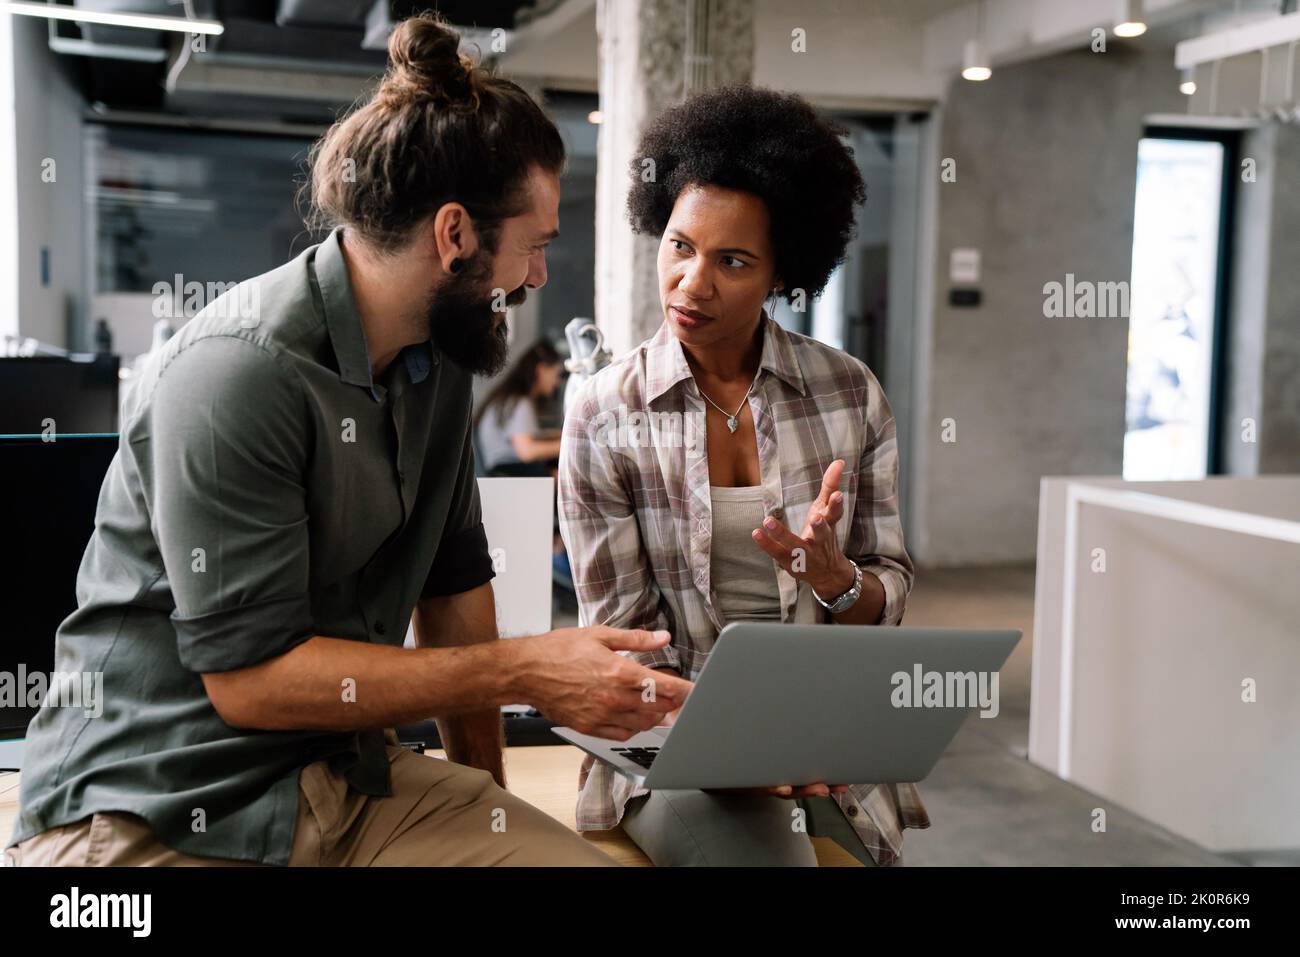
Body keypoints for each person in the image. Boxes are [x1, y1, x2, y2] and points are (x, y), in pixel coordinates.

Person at [5, 12, 690, 869]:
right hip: (157, 802)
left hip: (346, 777)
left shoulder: (438, 362)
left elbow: (453, 595)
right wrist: (523, 670)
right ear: (455, 235)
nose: (538, 277)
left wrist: (495, 809)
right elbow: (253, 680)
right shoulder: (237, 372)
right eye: (536, 246)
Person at [558, 84, 925, 867]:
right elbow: (628, 646)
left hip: (823, 740)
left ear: (781, 271)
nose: (693, 282)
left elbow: (885, 594)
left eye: (733, 260)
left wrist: (836, 581)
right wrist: (750, 748)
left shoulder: (849, 392)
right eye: (680, 245)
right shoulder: (604, 411)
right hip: (671, 748)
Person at [474, 338, 564, 476]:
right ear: (542, 369)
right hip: (506, 471)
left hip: (501, 469)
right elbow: (527, 451)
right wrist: (570, 444)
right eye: (557, 374)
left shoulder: (510, 399)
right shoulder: (519, 403)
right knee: (560, 474)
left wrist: (560, 436)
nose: (557, 382)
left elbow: (527, 437)